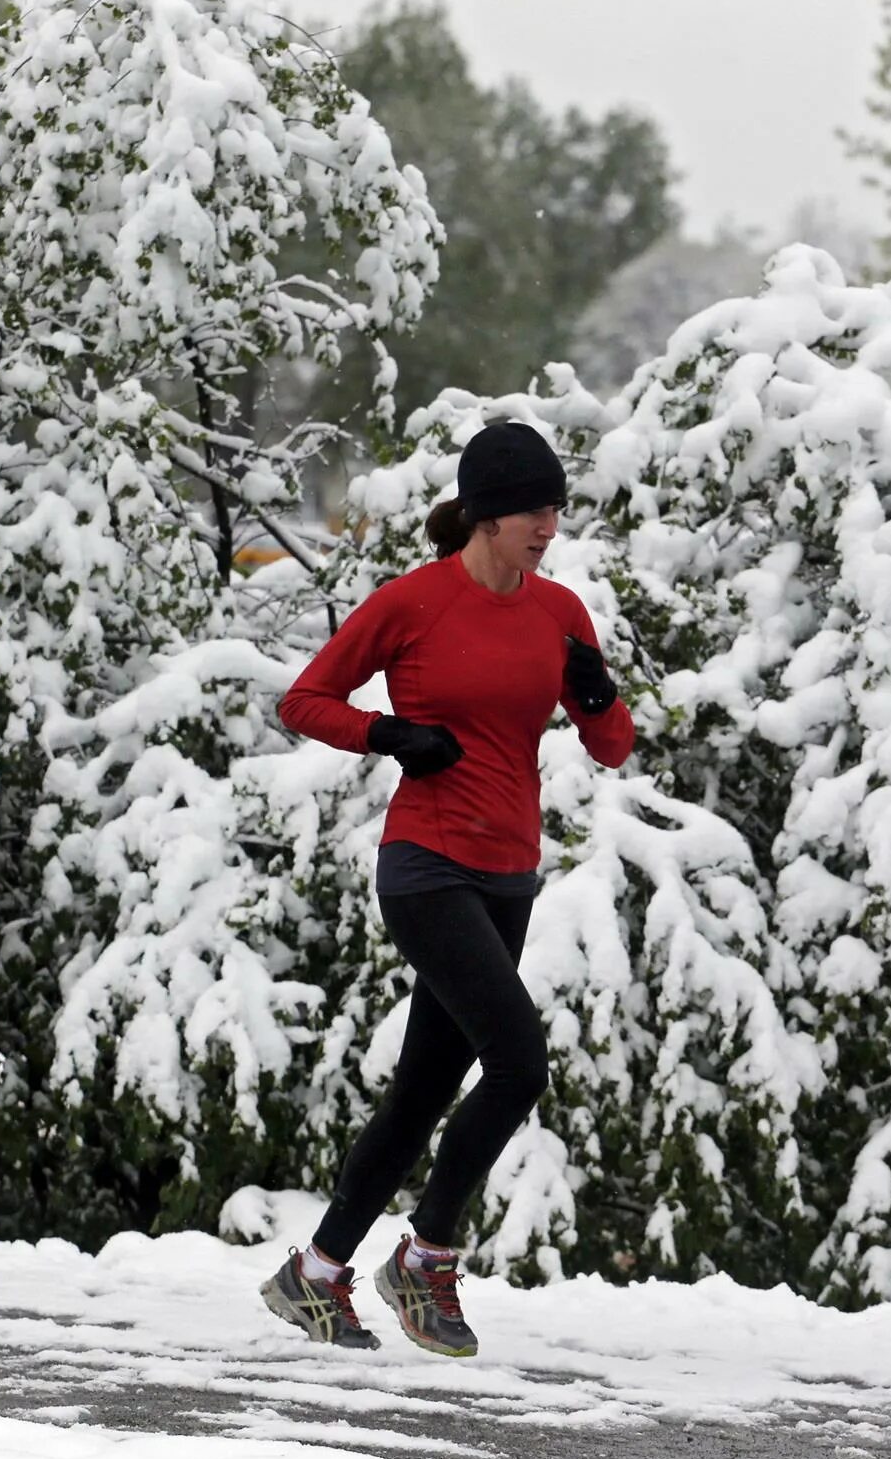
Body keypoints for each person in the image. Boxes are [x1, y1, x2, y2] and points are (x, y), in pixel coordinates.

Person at [260, 421, 634, 1357]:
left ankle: (312, 1274)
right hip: (426, 865)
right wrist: (390, 736)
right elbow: (303, 700)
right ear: (484, 514)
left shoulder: (560, 612)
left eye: (556, 508)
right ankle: (425, 1257)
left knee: (426, 1086)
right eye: (532, 511)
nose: (550, 525)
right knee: (518, 1061)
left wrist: (595, 696)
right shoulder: (413, 603)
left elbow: (614, 746)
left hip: (511, 873)